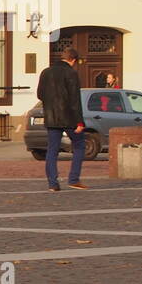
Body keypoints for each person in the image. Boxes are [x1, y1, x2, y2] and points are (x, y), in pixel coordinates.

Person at [37, 47, 88, 191]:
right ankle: (73, 179)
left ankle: (53, 184)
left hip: (51, 117)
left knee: (52, 150)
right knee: (79, 145)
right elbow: (75, 100)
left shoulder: (46, 72)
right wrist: (80, 122)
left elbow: (40, 94)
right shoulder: (71, 73)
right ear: (73, 60)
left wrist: (51, 103)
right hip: (69, 118)